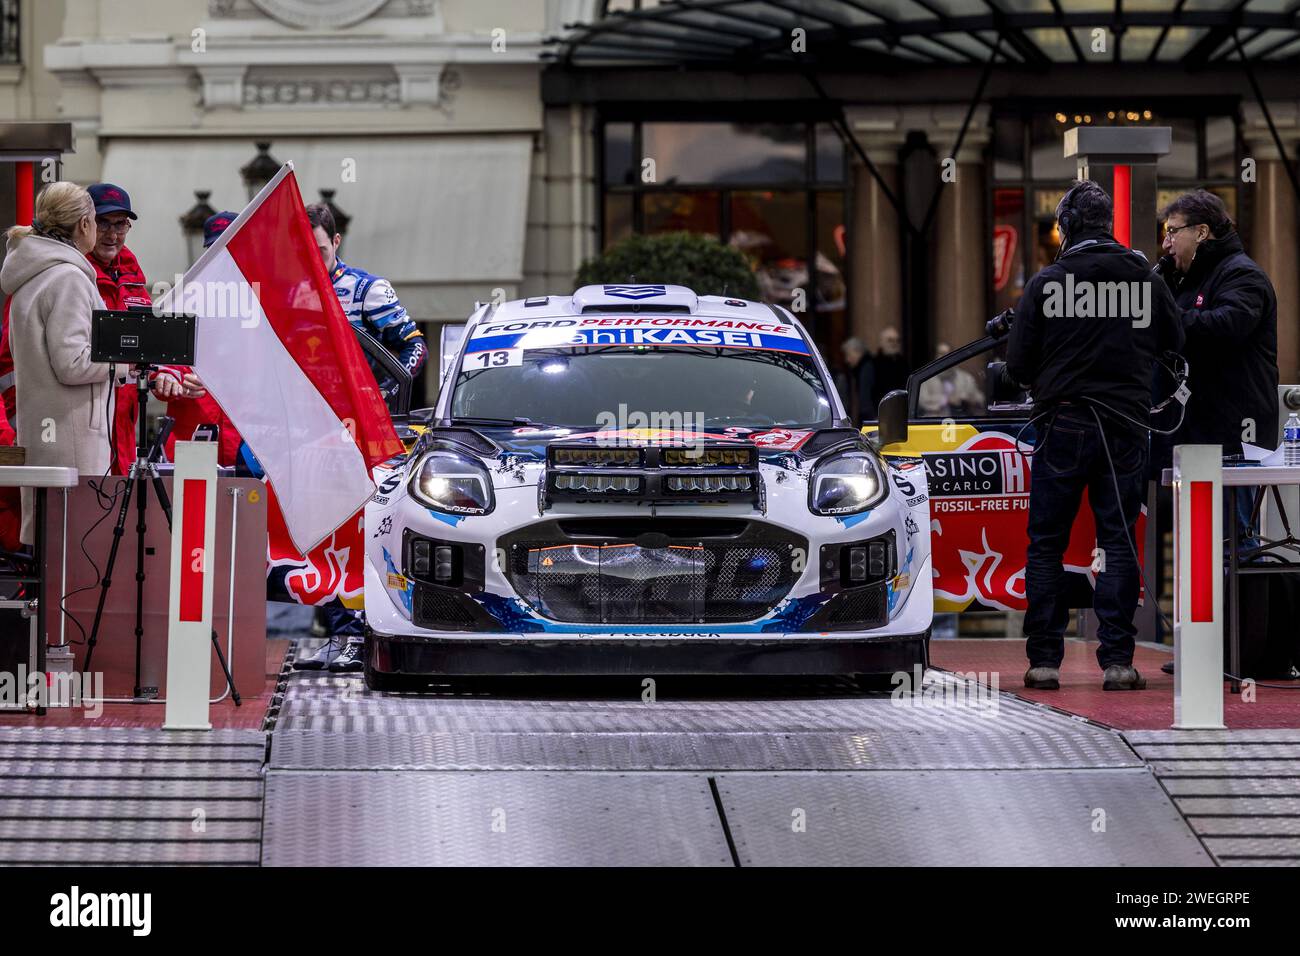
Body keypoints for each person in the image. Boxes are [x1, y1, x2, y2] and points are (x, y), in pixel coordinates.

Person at [1006, 180, 1184, 692]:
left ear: (1069, 226)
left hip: (1062, 425)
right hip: (1126, 427)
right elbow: (1175, 343)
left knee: (1045, 544)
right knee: (1119, 541)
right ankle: (1119, 663)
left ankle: (1044, 662)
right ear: (1109, 225)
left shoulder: (1047, 282)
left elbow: (1017, 367)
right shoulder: (1145, 281)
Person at [297, 202, 428, 672]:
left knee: (361, 531)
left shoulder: (369, 290)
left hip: (364, 437)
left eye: (318, 248)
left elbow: (414, 346)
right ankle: (339, 634)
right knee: (319, 533)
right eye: (302, 250)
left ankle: (362, 633)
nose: (311, 257)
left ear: (335, 243)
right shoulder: (289, 290)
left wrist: (383, 395)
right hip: (310, 432)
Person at [1161, 190, 1278, 539]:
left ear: (1201, 232)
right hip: (1199, 435)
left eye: (1171, 232)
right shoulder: (1188, 279)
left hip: (1235, 437)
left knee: (1234, 541)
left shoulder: (1242, 275)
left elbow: (1226, 326)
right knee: (1200, 545)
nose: (1166, 244)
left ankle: (1244, 597)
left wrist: (1169, 319)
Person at [0, 182, 112, 544]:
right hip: (72, 435)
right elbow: (73, 364)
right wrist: (126, 363)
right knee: (78, 555)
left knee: (50, 551)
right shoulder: (69, 279)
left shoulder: (30, 277)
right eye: (96, 220)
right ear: (84, 224)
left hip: (43, 430)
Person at [153, 211, 244, 466]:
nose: (223, 258)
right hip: (191, 442)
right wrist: (175, 379)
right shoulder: (177, 305)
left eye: (230, 248)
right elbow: (160, 369)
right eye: (215, 250)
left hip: (246, 448)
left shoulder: (263, 306)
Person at [918, 342, 985, 418]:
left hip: (961, 422)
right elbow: (921, 401)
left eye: (948, 354)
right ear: (935, 356)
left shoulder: (965, 378)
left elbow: (980, 399)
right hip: (935, 422)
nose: (945, 357)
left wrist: (965, 398)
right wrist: (946, 400)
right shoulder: (926, 378)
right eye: (941, 354)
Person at [834, 336, 876, 421]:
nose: (847, 360)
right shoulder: (860, 369)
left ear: (857, 352)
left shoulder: (866, 369)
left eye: (848, 355)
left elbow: (865, 399)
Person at [870, 327, 909, 406]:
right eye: (890, 340)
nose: (894, 343)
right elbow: (867, 394)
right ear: (881, 342)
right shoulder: (872, 364)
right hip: (879, 411)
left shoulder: (904, 363)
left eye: (897, 340)